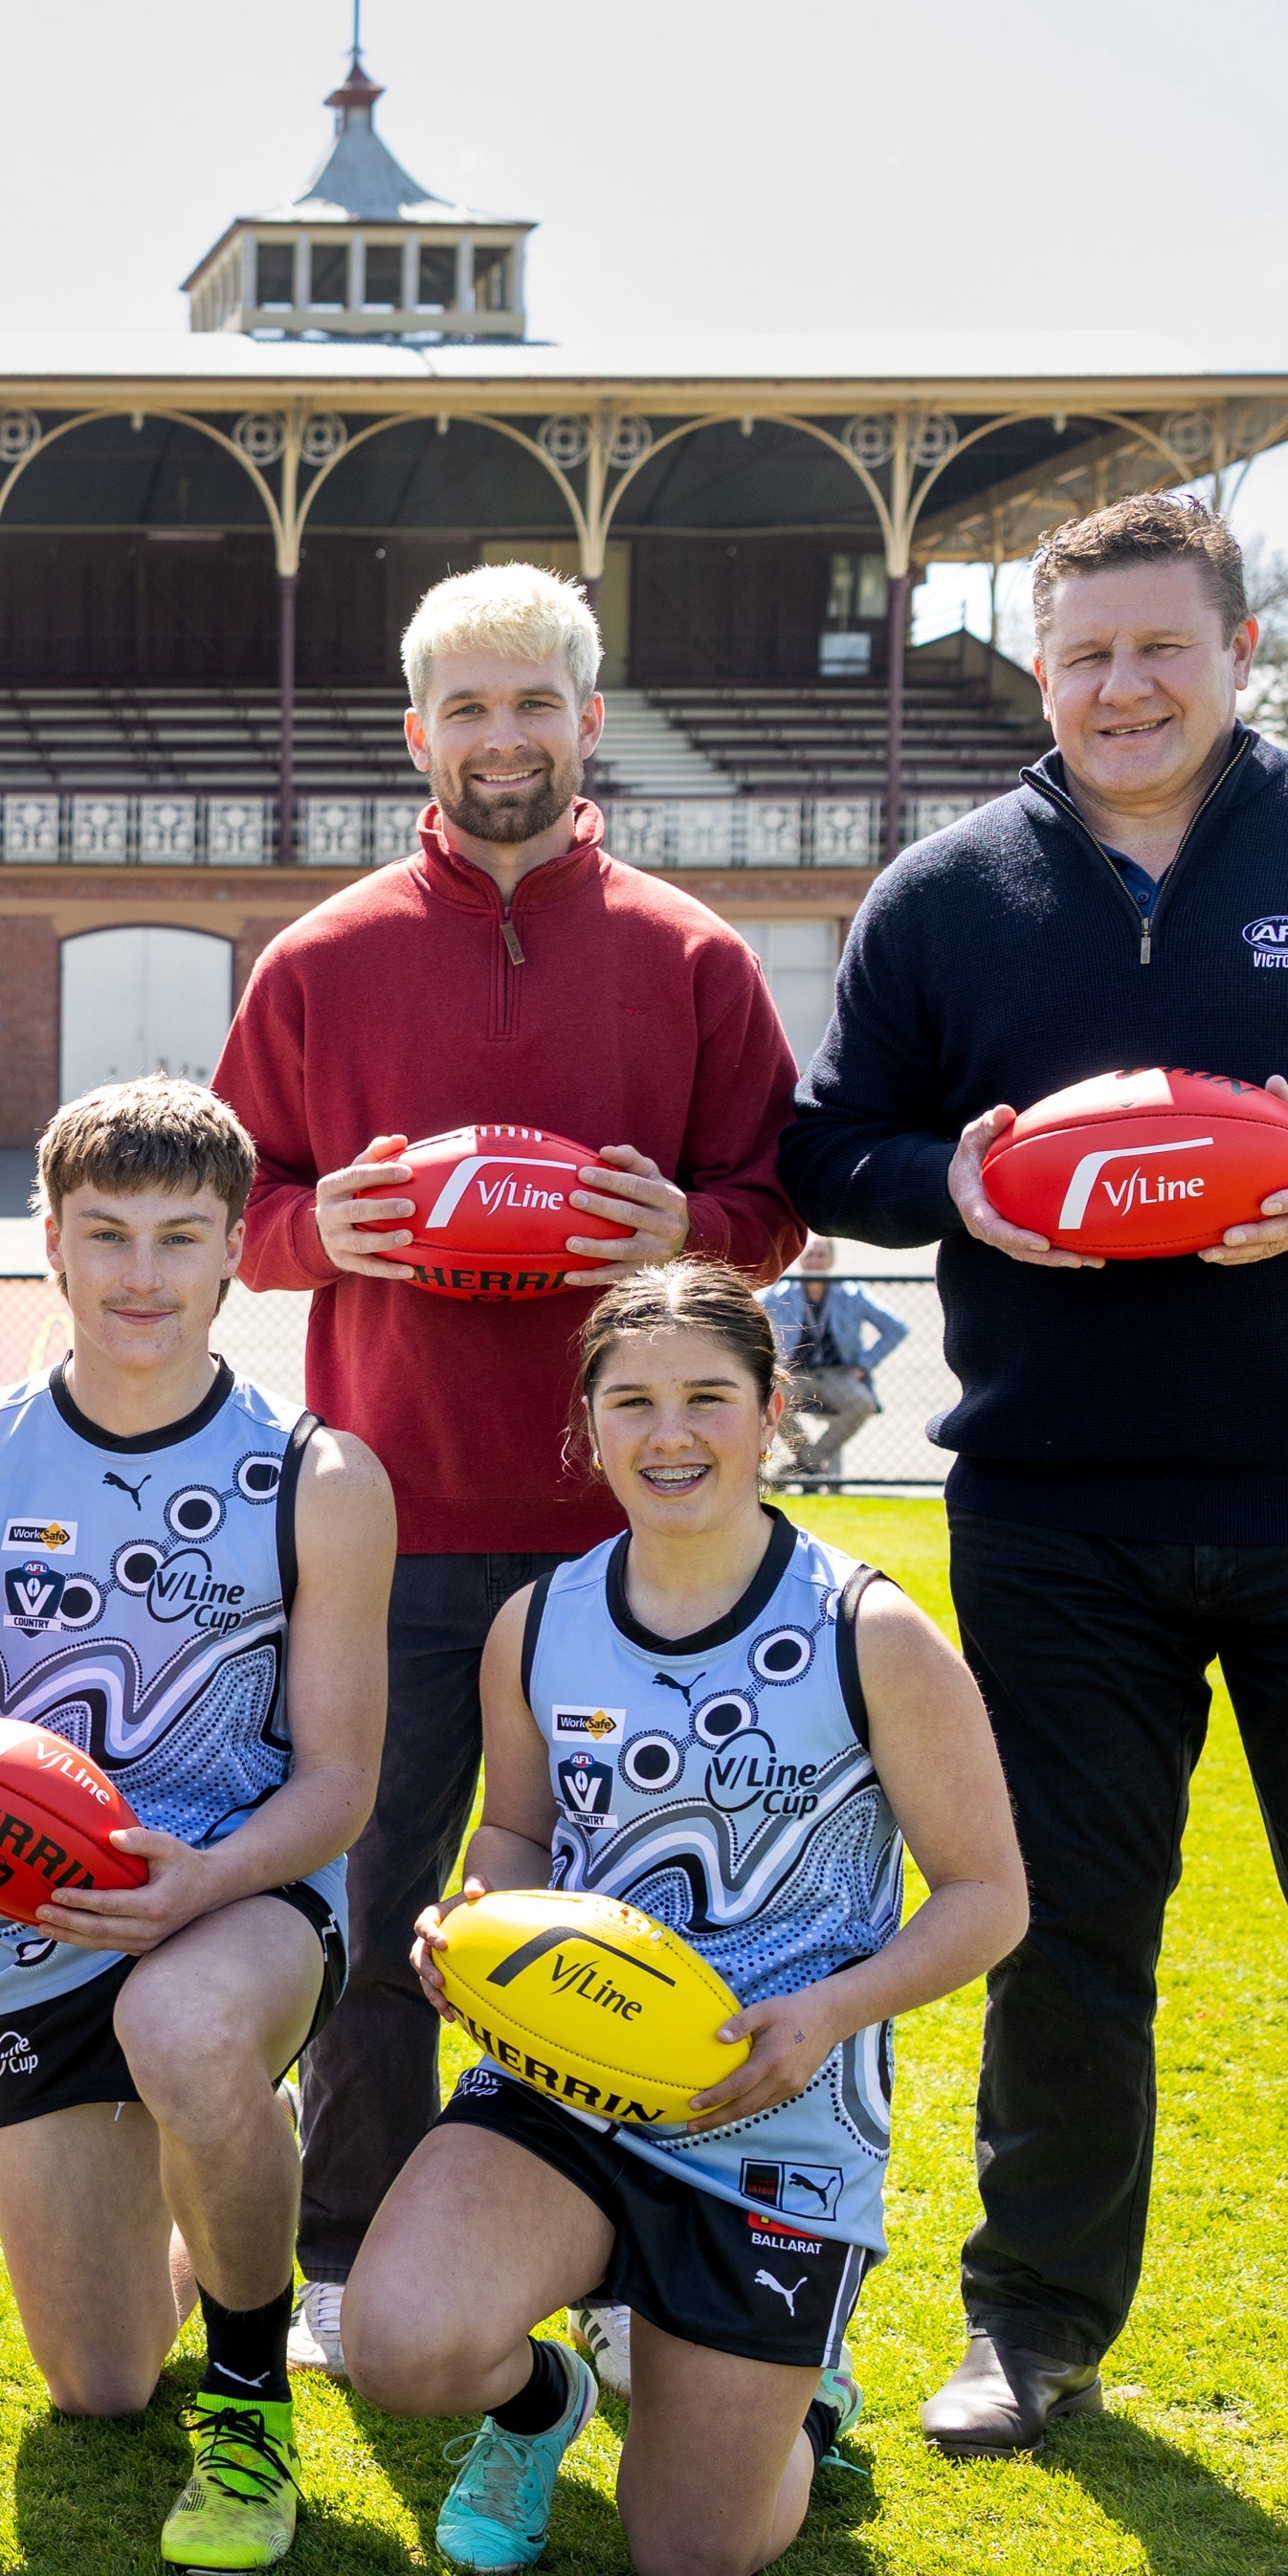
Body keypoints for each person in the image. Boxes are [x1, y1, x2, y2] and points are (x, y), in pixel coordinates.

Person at [779, 490, 1288, 2543]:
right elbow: (834, 1143)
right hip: (1059, 1514)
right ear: (1037, 672)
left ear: (1240, 651)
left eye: (1160, 648)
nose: (1120, 688)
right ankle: (1035, 2326)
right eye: (1081, 657)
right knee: (1064, 1936)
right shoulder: (947, 891)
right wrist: (955, 1192)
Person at [206, 563, 806, 2386]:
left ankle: (639, 2271)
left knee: (644, 1924)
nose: (500, 738)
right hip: (385, 1527)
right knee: (379, 1915)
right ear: (416, 735)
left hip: (626, 1538)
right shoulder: (318, 958)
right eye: (465, 709)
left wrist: (676, 1223)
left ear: (586, 719)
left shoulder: (694, 954)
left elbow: (773, 1203)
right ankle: (343, 2247)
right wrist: (337, 1230)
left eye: (531, 702)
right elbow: (238, 1216)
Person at [348, 1260, 1028, 2576]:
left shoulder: (868, 1629)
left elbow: (986, 1895)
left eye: (708, 1396)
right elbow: (518, 1837)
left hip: (770, 2119)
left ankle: (800, 2390)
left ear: (769, 1409)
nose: (670, 1434)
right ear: (587, 1424)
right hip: (566, 2079)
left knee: (690, 2562)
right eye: (633, 1400)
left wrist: (828, 2012)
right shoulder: (535, 1623)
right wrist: (471, 1925)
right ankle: (543, 2405)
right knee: (399, 2344)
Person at [0, 1079, 391, 2574]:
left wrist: (201, 1881)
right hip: (39, 1920)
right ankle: (225, 2152)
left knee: (184, 2024)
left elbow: (340, 1784)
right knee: (94, 2385)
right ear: (50, 1242)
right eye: (105, 1235)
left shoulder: (320, 1475)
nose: (140, 1276)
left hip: (242, 1891)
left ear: (235, 1250)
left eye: (177, 1237)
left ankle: (247, 2394)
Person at [764, 1237, 904, 1485]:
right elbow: (752, 1327)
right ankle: (813, 1466)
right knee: (768, 1400)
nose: (815, 1260)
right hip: (796, 1373)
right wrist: (773, 1365)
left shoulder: (851, 1293)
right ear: (800, 1259)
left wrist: (864, 1365)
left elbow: (896, 1328)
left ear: (831, 1259)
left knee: (862, 1403)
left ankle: (807, 1464)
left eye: (821, 1255)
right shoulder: (779, 1293)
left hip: (838, 1374)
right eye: (810, 1255)